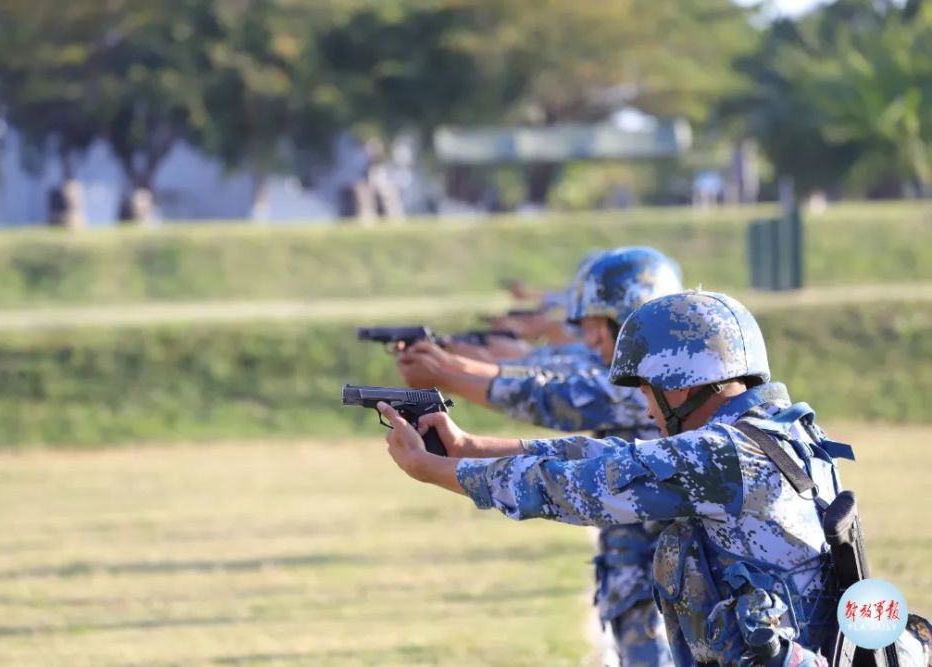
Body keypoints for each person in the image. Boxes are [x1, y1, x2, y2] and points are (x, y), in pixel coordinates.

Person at [376, 290, 932, 666]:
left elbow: (585, 487)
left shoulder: (726, 456)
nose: (644, 406)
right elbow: (604, 456)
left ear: (682, 384)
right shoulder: (773, 434)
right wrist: (470, 448)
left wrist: (436, 470)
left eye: (647, 389)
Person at [398, 247, 683, 667]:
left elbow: (554, 396)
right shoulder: (638, 374)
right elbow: (544, 372)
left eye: (597, 327)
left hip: (661, 586)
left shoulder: (652, 381)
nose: (587, 339)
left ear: (630, 320)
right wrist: (457, 375)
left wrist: (448, 375)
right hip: (639, 576)